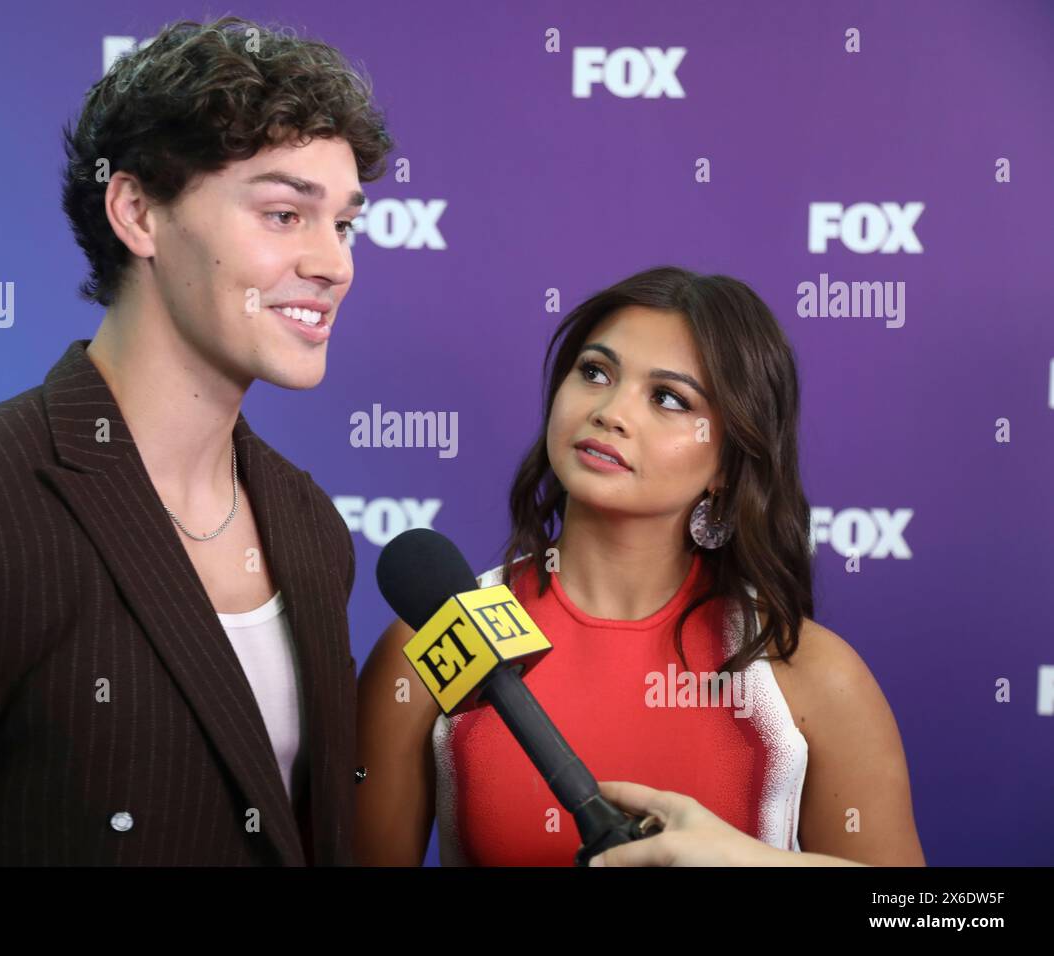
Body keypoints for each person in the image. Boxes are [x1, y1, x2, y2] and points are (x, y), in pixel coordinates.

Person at [0, 16, 392, 865]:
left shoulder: (307, 522)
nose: (333, 263)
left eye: (344, 224)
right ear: (136, 212)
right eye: (283, 214)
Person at [354, 266, 926, 866]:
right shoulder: (430, 646)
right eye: (595, 372)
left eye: (668, 399)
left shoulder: (810, 674)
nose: (610, 410)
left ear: (729, 463)